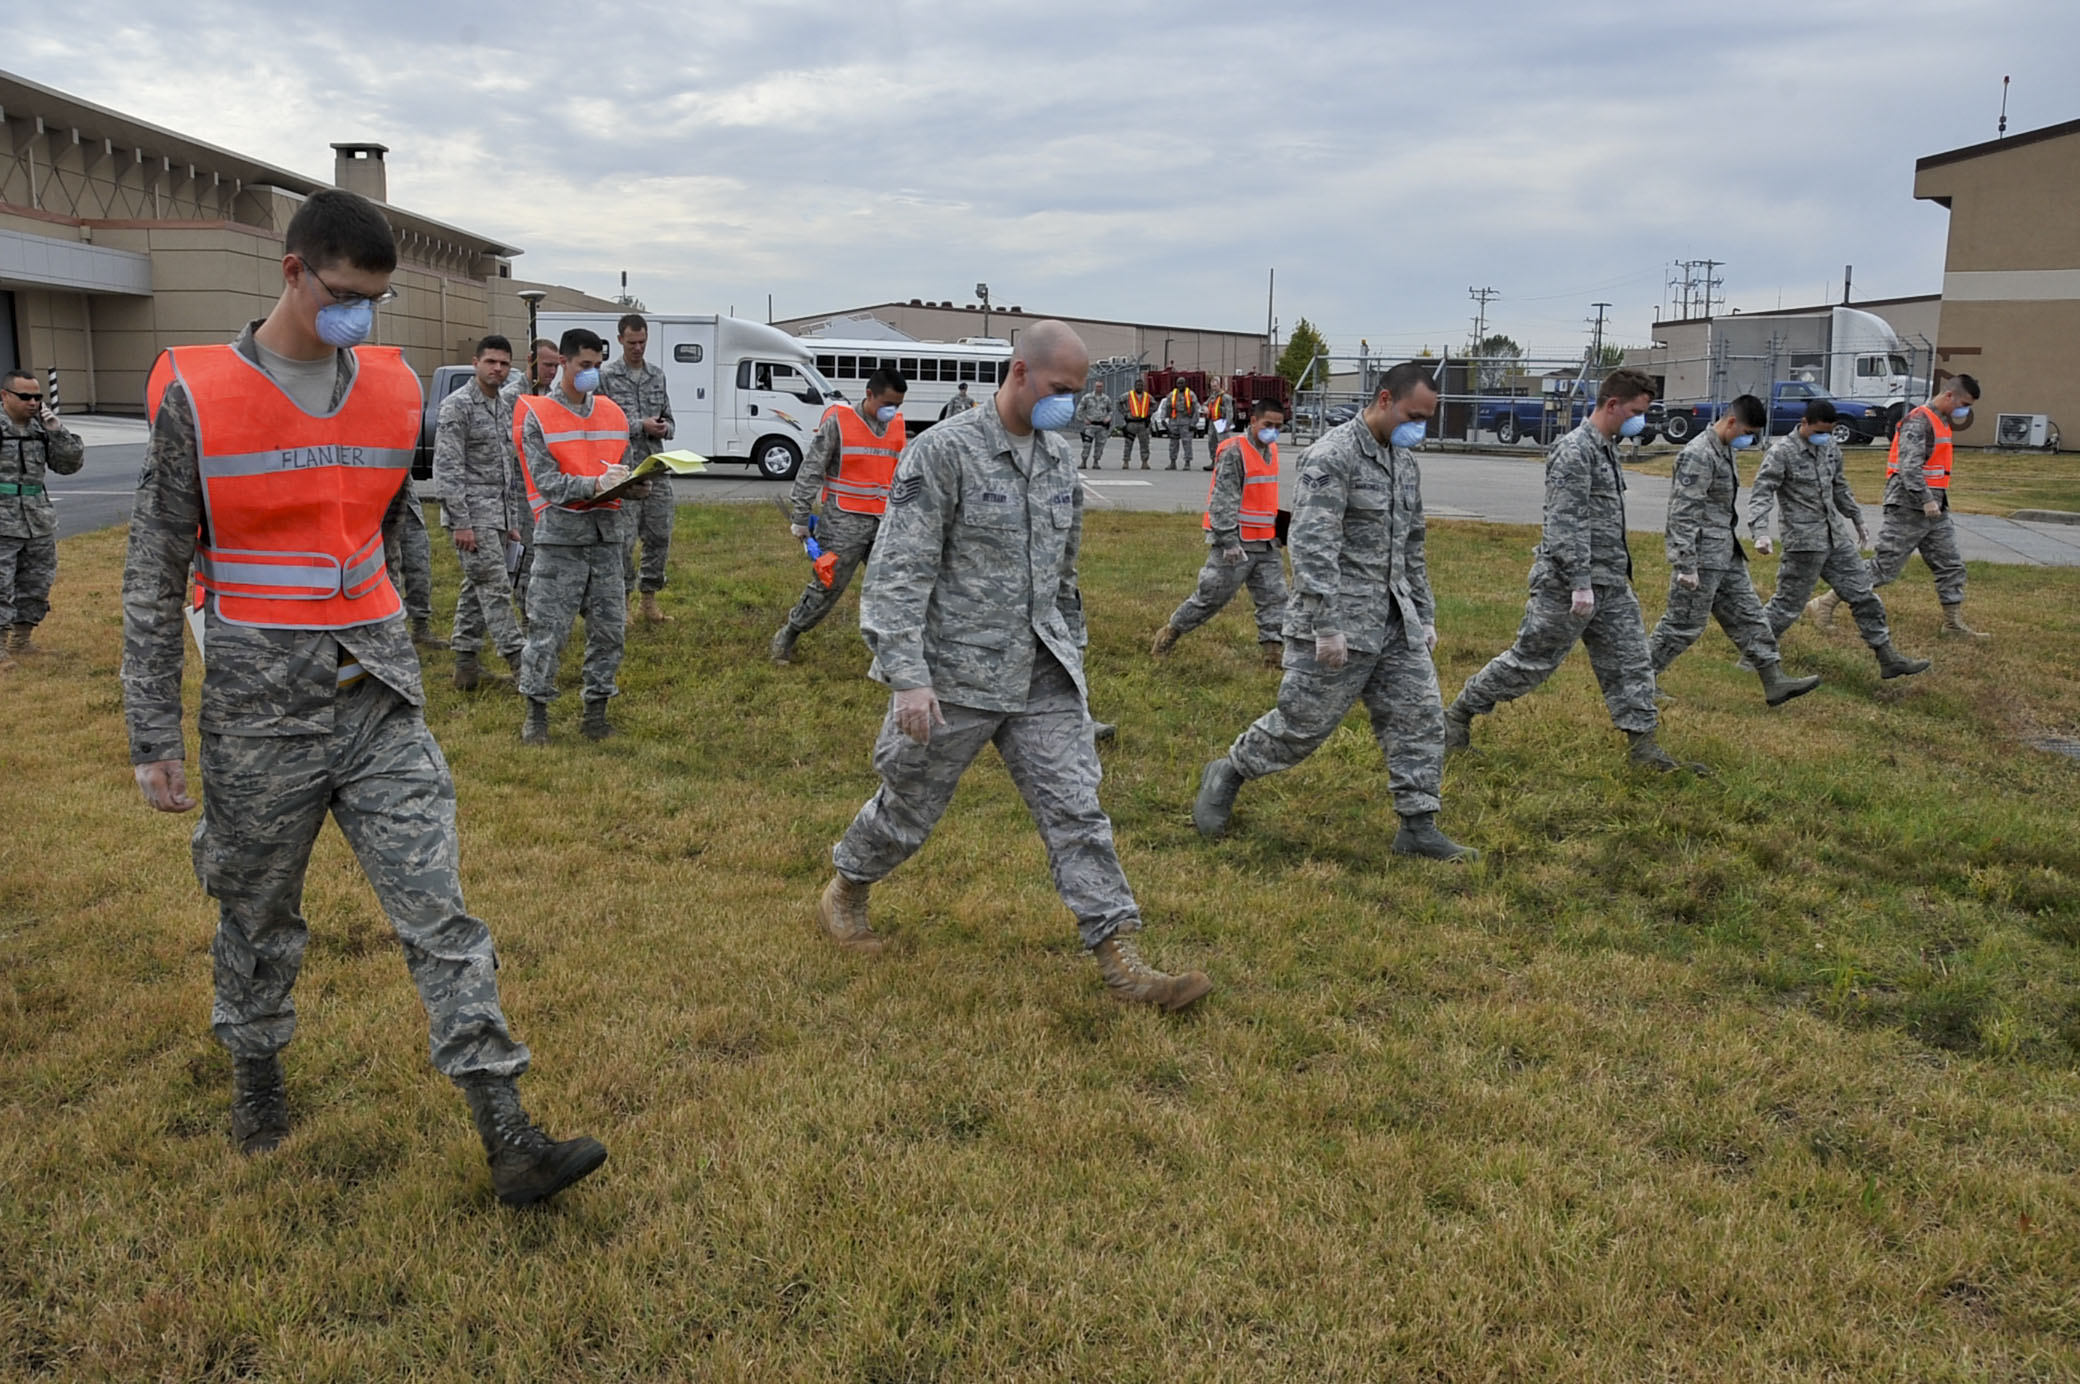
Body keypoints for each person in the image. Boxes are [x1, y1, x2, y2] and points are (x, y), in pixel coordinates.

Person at [120, 187, 604, 1206]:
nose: (360, 318)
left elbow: (389, 525)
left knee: (442, 914)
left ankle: (506, 1126)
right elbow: (155, 568)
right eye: (346, 294)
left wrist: (427, 631)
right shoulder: (197, 393)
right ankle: (257, 1072)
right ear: (293, 270)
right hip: (260, 716)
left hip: (377, 699)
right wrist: (153, 733)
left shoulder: (389, 390)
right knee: (257, 917)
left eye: (374, 301)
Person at [817, 321, 1211, 1011]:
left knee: (1076, 809)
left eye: (1080, 392)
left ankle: (1121, 958)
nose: (1072, 404)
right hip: (953, 677)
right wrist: (907, 676)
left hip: (1040, 674)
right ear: (1020, 373)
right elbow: (898, 572)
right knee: (907, 810)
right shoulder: (943, 453)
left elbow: (1064, 573)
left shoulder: (1059, 461)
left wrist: (1075, 651)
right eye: (1063, 389)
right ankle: (848, 885)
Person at [1191, 365, 1477, 861]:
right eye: (1414, 416)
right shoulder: (1333, 455)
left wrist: (1424, 614)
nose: (1419, 427)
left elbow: (1412, 546)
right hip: (1337, 623)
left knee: (1421, 719)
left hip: (1393, 620)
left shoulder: (1403, 462)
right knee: (1302, 726)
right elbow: (1311, 544)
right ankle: (1231, 770)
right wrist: (1326, 623)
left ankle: (1417, 825)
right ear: (1385, 399)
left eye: (1427, 419)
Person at [1445, 368, 1706, 772]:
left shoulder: (1606, 447)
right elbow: (1565, 521)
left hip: (1611, 582)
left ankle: (1644, 749)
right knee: (1529, 663)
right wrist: (1580, 583)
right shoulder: (1575, 450)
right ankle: (1458, 716)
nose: (1640, 420)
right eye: (1636, 411)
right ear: (1613, 404)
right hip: (1568, 585)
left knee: (1633, 663)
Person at [1642, 395, 1822, 706]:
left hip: (1725, 553)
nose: (1748, 440)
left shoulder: (1723, 450)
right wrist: (1685, 563)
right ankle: (1639, 681)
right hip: (1701, 557)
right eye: (1747, 433)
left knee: (1750, 616)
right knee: (1683, 625)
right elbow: (1683, 513)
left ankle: (1774, 680)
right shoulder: (1699, 455)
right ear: (1730, 422)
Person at [1752, 400, 1930, 680]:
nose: (1826, 436)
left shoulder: (1830, 447)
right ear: (1805, 423)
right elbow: (1762, 492)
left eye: (1831, 431)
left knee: (1864, 594)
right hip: (1803, 542)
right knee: (1786, 606)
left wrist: (1856, 519)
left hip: (1836, 538)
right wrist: (1760, 532)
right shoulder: (1781, 453)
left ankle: (1887, 657)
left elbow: (1839, 486)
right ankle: (1753, 656)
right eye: (1821, 430)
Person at [514, 328, 632, 743]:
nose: (592, 375)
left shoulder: (613, 414)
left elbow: (624, 465)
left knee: (609, 631)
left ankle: (595, 714)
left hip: (606, 539)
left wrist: (637, 482)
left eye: (597, 366)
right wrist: (593, 486)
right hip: (560, 540)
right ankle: (536, 716)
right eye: (584, 366)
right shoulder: (538, 415)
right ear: (561, 362)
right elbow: (547, 482)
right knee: (547, 632)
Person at [1813, 374, 1987, 639]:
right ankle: (1825, 603)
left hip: (1935, 510)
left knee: (1951, 565)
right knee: (1884, 568)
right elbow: (1909, 467)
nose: (1963, 411)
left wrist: (1934, 503)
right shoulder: (1918, 420)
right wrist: (1926, 499)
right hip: (1908, 506)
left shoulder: (1940, 422)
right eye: (1963, 403)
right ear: (1949, 395)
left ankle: (1952, 624)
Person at [770, 367, 909, 664]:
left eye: (897, 405)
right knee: (827, 586)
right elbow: (810, 470)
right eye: (886, 404)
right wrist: (800, 517)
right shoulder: (839, 422)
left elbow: (903, 472)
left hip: (885, 523)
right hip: (843, 521)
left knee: (895, 586)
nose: (891, 410)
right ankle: (789, 633)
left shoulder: (897, 424)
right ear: (869, 394)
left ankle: (891, 651)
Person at [1150, 397, 1290, 668]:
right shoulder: (1234, 451)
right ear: (1252, 421)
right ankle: (1169, 634)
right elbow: (1222, 499)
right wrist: (1228, 541)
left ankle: (1273, 655)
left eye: (1278, 426)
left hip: (1266, 541)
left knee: (1275, 600)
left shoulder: (1271, 451)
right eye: (1267, 424)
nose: (1273, 430)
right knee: (1211, 597)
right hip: (1235, 542)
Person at [433, 334, 524, 690]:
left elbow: (507, 469)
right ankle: (522, 665)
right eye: (491, 362)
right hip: (472, 518)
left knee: (477, 588)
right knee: (496, 590)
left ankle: (465, 669)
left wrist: (512, 523)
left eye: (504, 364)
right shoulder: (458, 407)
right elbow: (448, 469)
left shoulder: (502, 406)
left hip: (497, 518)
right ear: (475, 363)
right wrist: (460, 523)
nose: (497, 369)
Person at [0, 368, 84, 667]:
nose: (33, 402)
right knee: (1, 585)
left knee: (36, 583)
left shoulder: (40, 429)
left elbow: (69, 465)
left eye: (37, 396)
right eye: (25, 397)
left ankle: (22, 641)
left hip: (37, 520)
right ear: (5, 395)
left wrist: (56, 429)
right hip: (2, 521)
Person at [599, 313, 677, 624]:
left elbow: (670, 421)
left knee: (659, 534)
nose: (638, 348)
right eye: (632, 342)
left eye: (643, 342)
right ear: (620, 339)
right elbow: (602, 422)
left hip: (655, 467)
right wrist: (637, 425)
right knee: (624, 540)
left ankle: (650, 600)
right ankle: (624, 602)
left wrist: (663, 428)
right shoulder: (607, 377)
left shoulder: (657, 376)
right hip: (623, 470)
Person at [500, 337, 560, 625]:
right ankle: (525, 612)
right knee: (526, 551)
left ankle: (543, 606)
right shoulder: (512, 398)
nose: (552, 371)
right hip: (520, 491)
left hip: (549, 489)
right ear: (531, 361)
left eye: (556, 365)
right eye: (547, 365)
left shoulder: (554, 398)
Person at [382, 462, 446, 651]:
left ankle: (420, 628)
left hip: (403, 490)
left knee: (418, 559)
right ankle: (390, 632)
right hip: (373, 490)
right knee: (384, 568)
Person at [1075, 379, 1114, 469]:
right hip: (1090, 425)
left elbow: (1110, 410)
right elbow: (1079, 410)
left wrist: (1108, 418)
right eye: (1097, 386)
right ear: (1094, 387)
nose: (1099, 388)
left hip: (1101, 426)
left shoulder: (1106, 399)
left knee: (1099, 445)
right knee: (1086, 445)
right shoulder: (1087, 397)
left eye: (1100, 386)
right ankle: (1083, 461)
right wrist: (1083, 419)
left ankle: (1096, 461)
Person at [1162, 378, 1199, 470]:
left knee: (1187, 442)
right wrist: (1163, 419)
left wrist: (1193, 423)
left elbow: (1196, 410)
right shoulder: (1172, 395)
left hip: (1186, 422)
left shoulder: (1191, 395)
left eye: (1182, 383)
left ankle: (1187, 462)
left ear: (1185, 384)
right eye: (1178, 383)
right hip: (1174, 421)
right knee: (1173, 443)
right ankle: (1172, 462)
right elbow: (1166, 407)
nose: (1180, 385)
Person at [1119, 377, 1155, 469]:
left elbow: (1154, 405)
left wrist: (1149, 413)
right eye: (1138, 385)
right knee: (1128, 443)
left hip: (1143, 424)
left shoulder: (1147, 396)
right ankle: (1126, 461)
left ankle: (1145, 462)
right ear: (1135, 386)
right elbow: (1118, 402)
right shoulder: (1128, 395)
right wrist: (1125, 413)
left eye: (1141, 385)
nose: (1140, 387)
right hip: (1131, 423)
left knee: (1145, 444)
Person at [1201, 383, 1233, 471]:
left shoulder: (1226, 397)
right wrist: (1205, 408)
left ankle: (1225, 463)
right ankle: (1213, 461)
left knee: (1224, 443)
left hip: (1221, 421)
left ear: (1219, 385)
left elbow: (1229, 411)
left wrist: (1228, 424)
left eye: (1215, 386)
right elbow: (1204, 404)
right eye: (1212, 387)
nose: (1214, 388)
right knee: (1211, 442)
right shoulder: (1212, 397)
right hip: (1212, 422)